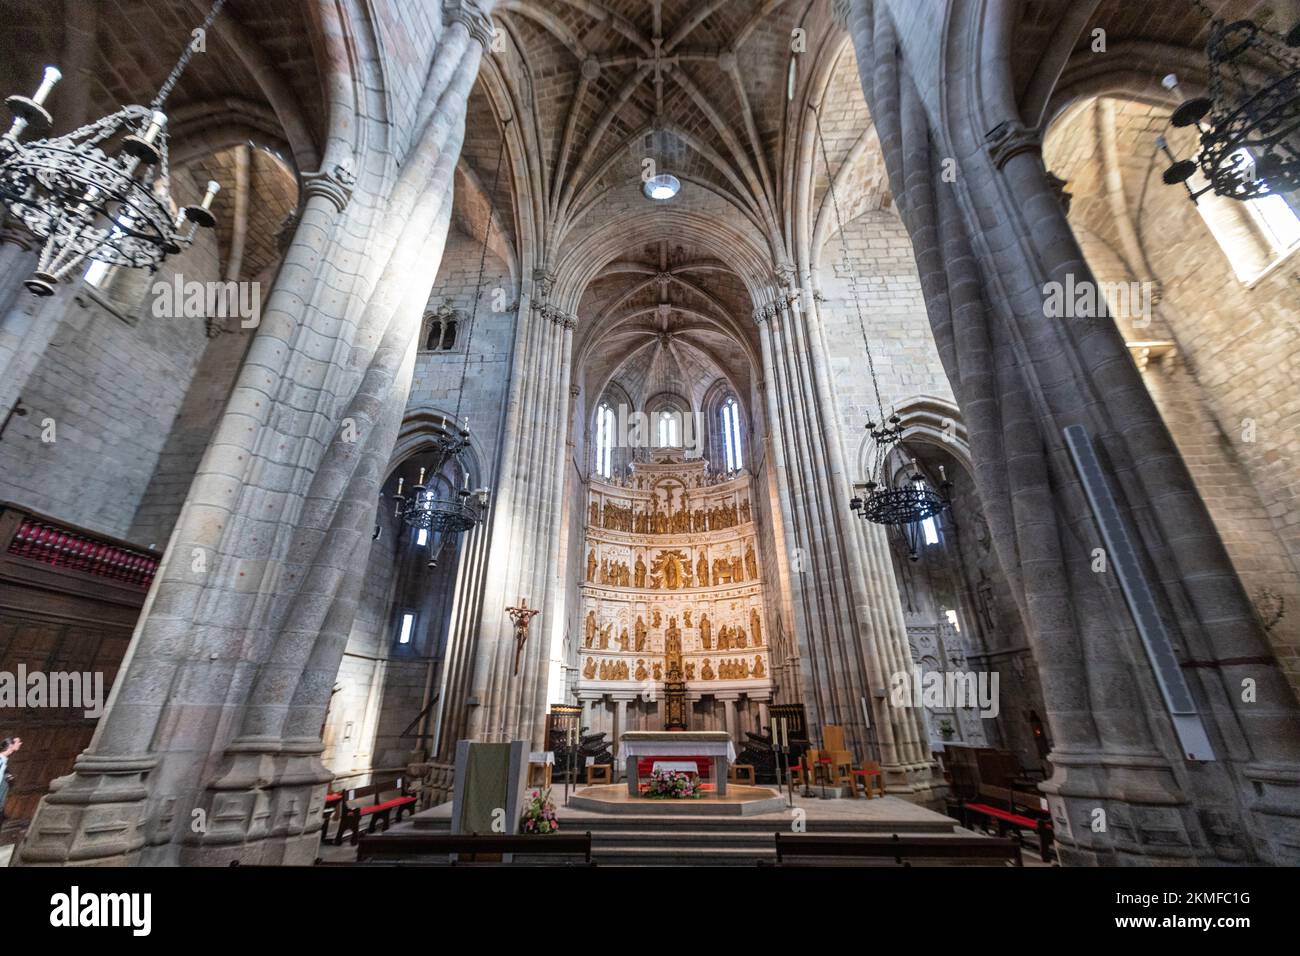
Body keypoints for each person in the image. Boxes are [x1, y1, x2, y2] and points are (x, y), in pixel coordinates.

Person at [0, 736, 21, 832]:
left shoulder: (4, 760)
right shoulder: (1, 760)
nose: (20, 744)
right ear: (11, 745)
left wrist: (7, 776)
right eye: (18, 742)